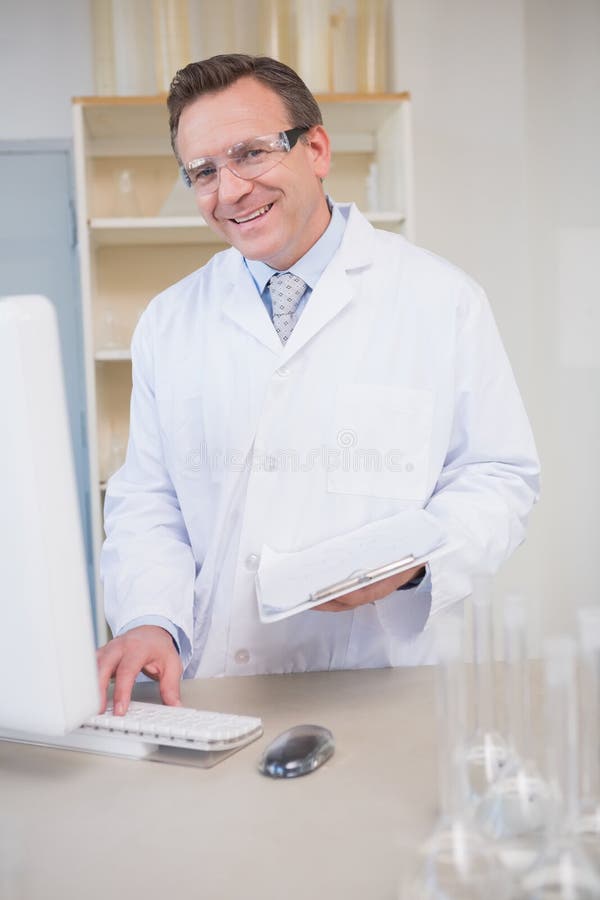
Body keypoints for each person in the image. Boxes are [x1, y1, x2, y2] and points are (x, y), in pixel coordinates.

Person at [97, 53, 540, 714]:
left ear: (317, 149)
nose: (231, 190)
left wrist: (412, 561)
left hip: (378, 681)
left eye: (250, 153)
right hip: (214, 678)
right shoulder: (170, 320)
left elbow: (498, 475)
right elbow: (148, 499)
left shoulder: (440, 300)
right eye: (204, 171)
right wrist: (150, 618)